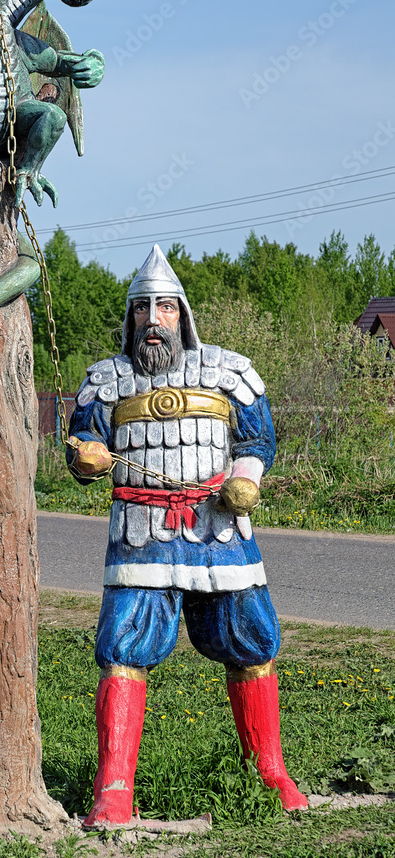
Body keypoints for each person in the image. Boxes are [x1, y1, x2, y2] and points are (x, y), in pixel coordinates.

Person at [66, 244, 307, 827]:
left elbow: (256, 441)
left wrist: (247, 479)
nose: (154, 320)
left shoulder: (228, 371)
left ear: (184, 314)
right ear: (131, 318)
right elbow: (79, 443)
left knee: (252, 639)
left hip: (220, 528)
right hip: (141, 532)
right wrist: (84, 456)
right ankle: (115, 785)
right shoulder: (107, 380)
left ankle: (269, 769)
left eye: (166, 308)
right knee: (123, 646)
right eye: (144, 309)